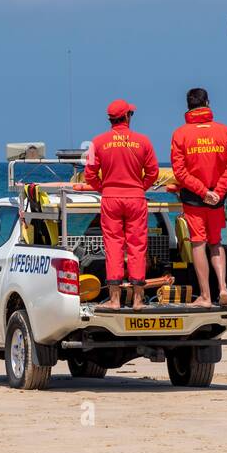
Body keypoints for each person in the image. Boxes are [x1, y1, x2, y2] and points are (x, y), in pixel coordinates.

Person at [76, 99, 161, 310]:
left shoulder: (97, 142)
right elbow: (153, 173)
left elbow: (90, 174)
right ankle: (138, 300)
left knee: (113, 246)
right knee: (137, 246)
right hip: (136, 198)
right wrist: (139, 187)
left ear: (111, 119)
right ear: (126, 117)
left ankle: (114, 300)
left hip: (111, 198)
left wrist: (104, 188)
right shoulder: (143, 141)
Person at [169, 88, 227, 307]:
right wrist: (217, 191)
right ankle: (223, 288)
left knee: (198, 244)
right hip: (217, 198)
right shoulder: (225, 132)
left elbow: (180, 171)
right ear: (207, 103)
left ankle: (206, 297)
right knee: (216, 242)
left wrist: (202, 191)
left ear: (188, 106)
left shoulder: (180, 134)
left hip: (194, 197)